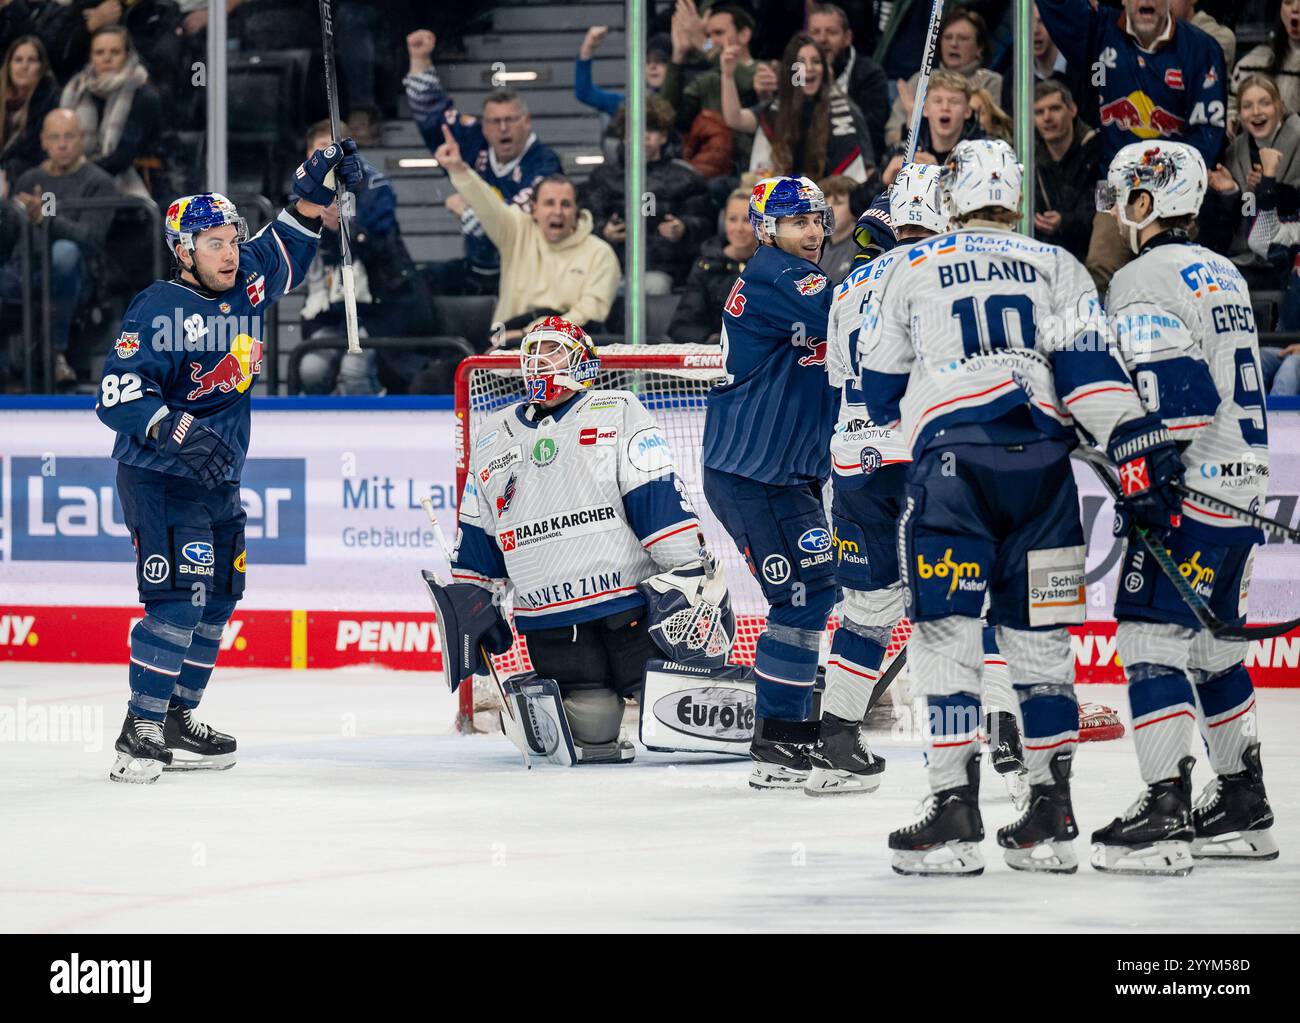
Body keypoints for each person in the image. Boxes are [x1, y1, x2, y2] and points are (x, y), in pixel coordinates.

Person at [856, 138, 1177, 874]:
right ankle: (1052, 813)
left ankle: (955, 809)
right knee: (1041, 652)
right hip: (1044, 477)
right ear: (1018, 195)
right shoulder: (1058, 264)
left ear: (955, 196)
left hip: (953, 472)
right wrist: (1136, 448)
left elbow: (876, 393)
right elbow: (1094, 380)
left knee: (948, 642)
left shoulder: (912, 265)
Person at [95, 139, 362, 783]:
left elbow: (295, 230)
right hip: (160, 476)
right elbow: (117, 393)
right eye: (213, 242)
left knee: (219, 601)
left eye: (232, 239)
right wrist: (177, 427)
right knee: (178, 603)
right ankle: (141, 728)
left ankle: (180, 715)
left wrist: (319, 178)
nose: (229, 251)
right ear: (183, 251)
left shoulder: (247, 284)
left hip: (219, 478)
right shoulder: (158, 307)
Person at [1092, 141, 1276, 872]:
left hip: (1192, 484)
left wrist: (1146, 478)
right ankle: (1242, 801)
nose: (1118, 210)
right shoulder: (1223, 270)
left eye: (1127, 194)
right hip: (1246, 479)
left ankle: (1166, 805)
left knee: (1147, 637)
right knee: (1212, 646)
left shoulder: (1141, 278)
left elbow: (1181, 399)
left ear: (1148, 202)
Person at [449, 316, 720, 762]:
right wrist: (472, 599)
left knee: (665, 693)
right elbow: (479, 530)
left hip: (628, 610)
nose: (540, 361)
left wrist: (687, 569)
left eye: (553, 350)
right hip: (550, 622)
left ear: (582, 360)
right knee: (595, 725)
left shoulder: (616, 407)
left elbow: (652, 499)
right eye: (533, 351)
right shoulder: (493, 434)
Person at [700, 175, 840, 790]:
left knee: (819, 591)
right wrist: (892, 258)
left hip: (786, 472)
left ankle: (789, 733)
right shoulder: (774, 275)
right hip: (751, 470)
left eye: (817, 220)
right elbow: (848, 309)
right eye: (797, 222)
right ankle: (779, 743)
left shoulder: (790, 276)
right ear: (767, 230)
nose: (811, 232)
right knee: (802, 598)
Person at [1037, 0, 1227, 295]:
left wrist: (1167, 184)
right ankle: (1099, 340)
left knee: (1173, 277)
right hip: (1111, 186)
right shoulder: (1099, 31)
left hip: (1177, 190)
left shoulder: (1202, 49)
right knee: (1098, 269)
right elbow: (1058, 7)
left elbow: (1208, 135)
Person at [405, 29, 562, 298]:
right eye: (494, 122)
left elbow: (512, 224)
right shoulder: (474, 141)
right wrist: (420, 59)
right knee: (418, 284)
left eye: (510, 120)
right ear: (484, 126)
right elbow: (433, 114)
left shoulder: (545, 163)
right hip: (478, 268)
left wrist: (466, 210)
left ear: (527, 122)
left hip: (528, 276)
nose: (503, 129)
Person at [434, 125, 619, 346]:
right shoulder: (516, 232)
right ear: (534, 209)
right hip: (506, 342)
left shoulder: (600, 253)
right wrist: (459, 169)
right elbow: (487, 205)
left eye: (566, 204)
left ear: (577, 210)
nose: (557, 212)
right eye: (549, 203)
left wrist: (532, 335)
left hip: (565, 346)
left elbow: (591, 312)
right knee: (438, 376)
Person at [293, 120, 432, 396]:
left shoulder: (373, 186)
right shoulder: (304, 191)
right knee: (311, 368)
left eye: (328, 151)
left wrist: (344, 229)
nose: (322, 160)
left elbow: (378, 245)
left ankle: (371, 433)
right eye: (317, 152)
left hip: (380, 308)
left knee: (354, 369)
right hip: (333, 313)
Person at [2, 107, 115, 388]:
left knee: (63, 253)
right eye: (55, 137)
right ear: (43, 141)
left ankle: (56, 355)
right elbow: (9, 240)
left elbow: (91, 239)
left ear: (82, 139)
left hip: (78, 274)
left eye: (69, 137)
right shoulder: (29, 179)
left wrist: (45, 219)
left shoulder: (99, 181)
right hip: (27, 268)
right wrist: (4, 208)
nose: (62, 144)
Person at [579, 98, 714, 293]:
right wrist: (604, 231)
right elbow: (585, 221)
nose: (643, 136)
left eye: (651, 130)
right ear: (624, 137)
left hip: (664, 270)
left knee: (652, 286)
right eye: (635, 130)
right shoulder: (603, 178)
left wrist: (683, 228)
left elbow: (705, 225)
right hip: (610, 266)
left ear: (664, 137)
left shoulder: (686, 179)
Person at [723, 33, 875, 187]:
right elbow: (735, 119)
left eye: (816, 61)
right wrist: (727, 76)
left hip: (830, 199)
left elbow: (865, 170)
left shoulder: (847, 111)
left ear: (824, 69)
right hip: (783, 199)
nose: (809, 68)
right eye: (800, 63)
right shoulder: (776, 108)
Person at [1204, 75, 1300, 283]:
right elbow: (1247, 213)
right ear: (1239, 114)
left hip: (1291, 254)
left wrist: (1272, 187)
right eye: (1247, 106)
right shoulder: (1236, 151)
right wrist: (1234, 192)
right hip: (1248, 258)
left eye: (1265, 103)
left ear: (1279, 105)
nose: (1256, 112)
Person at [664, 3, 773, 173]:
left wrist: (703, 43)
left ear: (744, 35)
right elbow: (668, 114)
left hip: (755, 168)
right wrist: (677, 58)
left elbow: (745, 81)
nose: (712, 41)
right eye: (708, 35)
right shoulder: (707, 80)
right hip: (713, 169)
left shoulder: (766, 69)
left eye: (719, 33)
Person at [59, 23, 161, 200]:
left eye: (114, 52)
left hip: (128, 176)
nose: (107, 59)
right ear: (91, 57)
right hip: (77, 173)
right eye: (99, 53)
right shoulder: (77, 89)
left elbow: (123, 156)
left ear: (127, 56)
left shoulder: (143, 95)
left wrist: (78, 173)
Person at [884, 9, 1002, 149]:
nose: (954, 44)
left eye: (963, 38)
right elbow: (891, 135)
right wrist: (912, 125)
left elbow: (998, 133)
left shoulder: (992, 83)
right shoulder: (921, 80)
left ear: (980, 47)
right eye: (948, 37)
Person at [667, 186, 756, 342]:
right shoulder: (707, 264)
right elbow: (681, 326)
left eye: (747, 220)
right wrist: (711, 338)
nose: (738, 228)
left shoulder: (776, 265)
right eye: (732, 219)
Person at [807, 3, 889, 166]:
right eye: (815, 32)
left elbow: (870, 134)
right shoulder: (799, 71)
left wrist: (832, 88)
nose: (822, 39)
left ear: (847, 38)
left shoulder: (871, 74)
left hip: (855, 164)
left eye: (831, 32)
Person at [1033, 79, 1100, 261]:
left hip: (1089, 251)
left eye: (1054, 108)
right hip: (1044, 256)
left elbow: (1107, 208)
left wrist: (1065, 222)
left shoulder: (1100, 152)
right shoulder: (1027, 156)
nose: (1047, 117)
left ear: (1072, 110)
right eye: (1039, 112)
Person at [1231, 0, 1300, 124]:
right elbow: (1232, 105)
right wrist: (1233, 120)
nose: (1295, 9)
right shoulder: (1254, 62)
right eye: (1288, 2)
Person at [0, 34, 57, 183]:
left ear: (41, 66)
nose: (24, 66)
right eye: (18, 60)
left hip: (33, 176)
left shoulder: (49, 100)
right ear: (9, 65)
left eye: (31, 60)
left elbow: (34, 150)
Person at [815, 173, 857, 282]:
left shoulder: (864, 246)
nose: (828, 209)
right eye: (824, 204)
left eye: (837, 203)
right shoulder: (815, 249)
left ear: (855, 207)